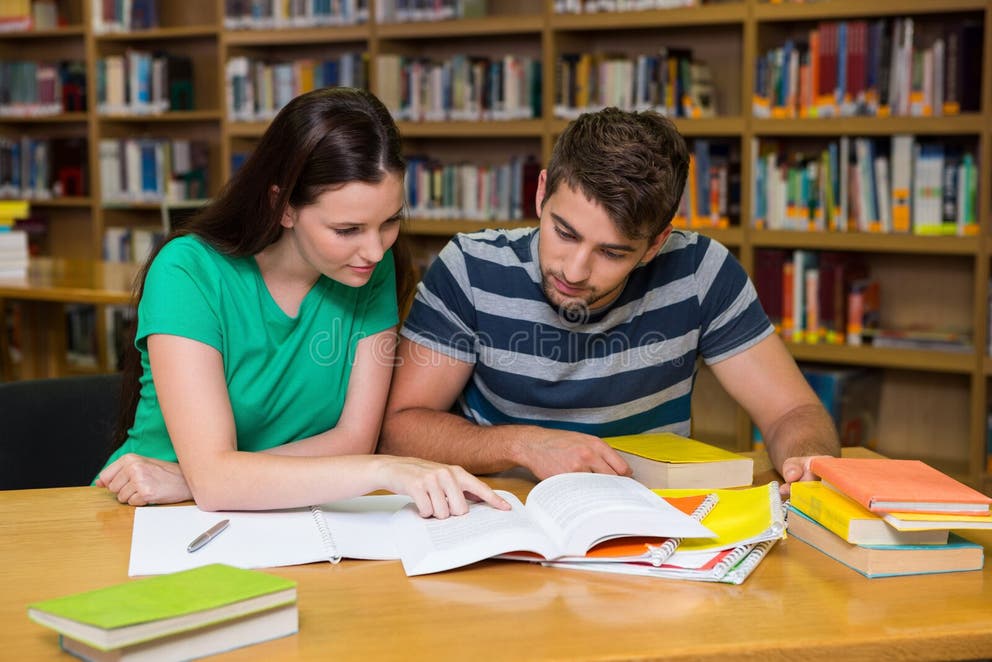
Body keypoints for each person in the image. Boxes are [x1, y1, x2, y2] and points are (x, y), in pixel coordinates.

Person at [379, 107, 839, 496]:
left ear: (656, 244)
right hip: (507, 514)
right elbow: (401, 428)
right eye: (564, 232)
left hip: (649, 524)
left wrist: (806, 461)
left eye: (612, 253)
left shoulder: (701, 271)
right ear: (541, 192)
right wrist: (523, 444)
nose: (575, 271)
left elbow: (792, 412)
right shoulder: (471, 268)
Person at [95, 87, 508, 518]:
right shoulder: (187, 272)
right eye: (347, 229)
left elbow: (354, 442)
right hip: (146, 512)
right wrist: (383, 469)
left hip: (268, 513)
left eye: (389, 222)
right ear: (283, 207)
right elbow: (219, 483)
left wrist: (201, 478)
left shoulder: (369, 270)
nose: (374, 250)